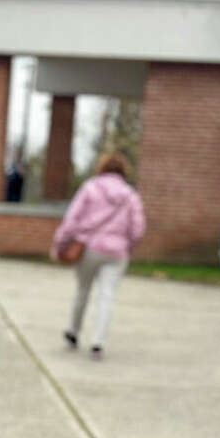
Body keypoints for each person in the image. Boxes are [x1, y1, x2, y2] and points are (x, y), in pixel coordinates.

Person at [51, 152, 147, 359]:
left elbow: (72, 218)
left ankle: (74, 331)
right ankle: (97, 343)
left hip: (89, 249)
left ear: (101, 168)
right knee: (107, 296)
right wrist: (127, 246)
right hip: (117, 252)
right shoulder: (130, 195)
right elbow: (138, 229)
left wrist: (59, 243)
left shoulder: (90, 188)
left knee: (83, 290)